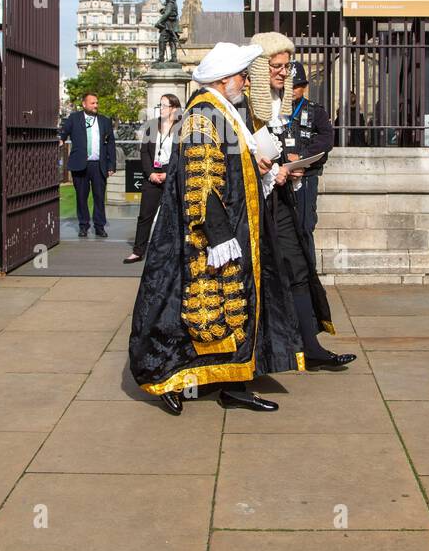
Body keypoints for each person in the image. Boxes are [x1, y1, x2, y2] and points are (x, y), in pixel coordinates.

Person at [129, 41, 305, 416]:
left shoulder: (220, 111)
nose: (244, 81)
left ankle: (232, 383)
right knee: (180, 309)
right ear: (225, 79)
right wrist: (219, 238)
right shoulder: (203, 115)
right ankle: (165, 377)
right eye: (241, 75)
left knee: (227, 309)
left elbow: (226, 168)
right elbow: (201, 182)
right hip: (204, 237)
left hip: (230, 229)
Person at [246, 32, 354, 371]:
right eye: (276, 66)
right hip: (253, 207)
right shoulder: (243, 105)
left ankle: (310, 347)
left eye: (286, 65)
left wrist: (287, 169)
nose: (283, 72)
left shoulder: (285, 105)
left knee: (297, 267)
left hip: (281, 202)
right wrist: (268, 172)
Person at [125, 93, 181, 264]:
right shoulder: (151, 126)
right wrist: (150, 173)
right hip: (153, 174)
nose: (161, 109)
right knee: (145, 215)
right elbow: (144, 152)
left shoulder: (182, 127)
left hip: (171, 174)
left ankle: (173, 252)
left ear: (174, 108)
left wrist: (169, 173)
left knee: (174, 215)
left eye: (164, 106)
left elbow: (182, 155)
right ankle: (138, 251)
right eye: (160, 105)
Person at [287, 60, 334, 257]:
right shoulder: (273, 111)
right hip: (280, 178)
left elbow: (326, 140)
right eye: (289, 85)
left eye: (297, 86)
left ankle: (308, 278)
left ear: (304, 87)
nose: (292, 90)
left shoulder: (315, 111)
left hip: (306, 178)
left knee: (304, 227)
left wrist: (302, 157)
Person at [59, 93, 116, 238]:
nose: (96, 105)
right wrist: (61, 139)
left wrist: (111, 165)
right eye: (92, 103)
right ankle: (83, 226)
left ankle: (99, 227)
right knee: (81, 197)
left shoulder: (105, 121)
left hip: (99, 165)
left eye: (96, 103)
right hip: (80, 165)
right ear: (84, 104)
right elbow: (63, 133)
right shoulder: (74, 118)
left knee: (99, 197)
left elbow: (110, 144)